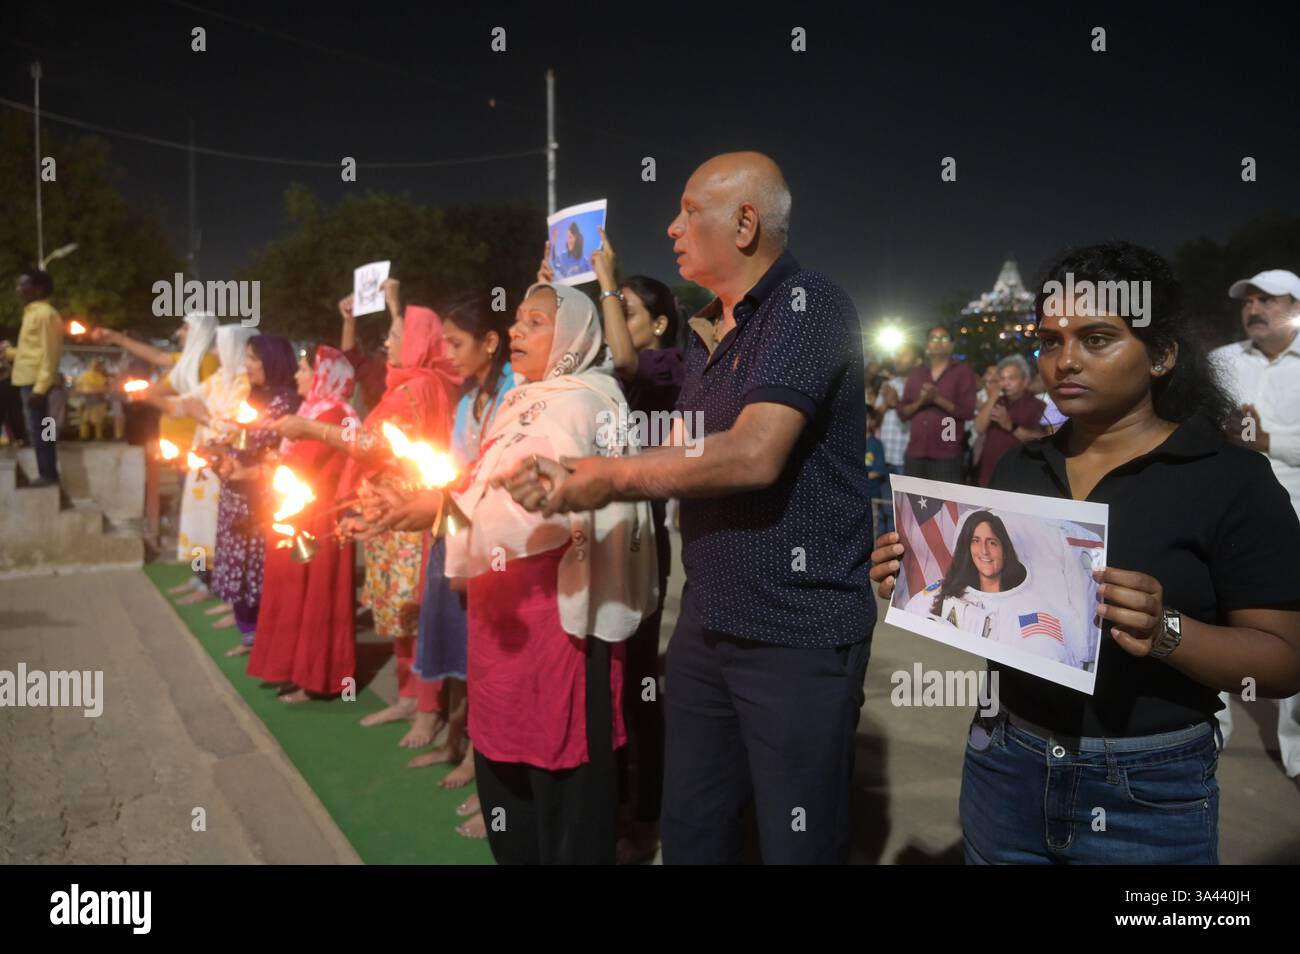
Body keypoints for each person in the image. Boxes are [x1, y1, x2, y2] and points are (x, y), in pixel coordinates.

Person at [497, 152, 875, 864]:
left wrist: (604, 477)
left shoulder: (810, 305)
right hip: (708, 621)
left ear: (744, 221)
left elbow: (754, 454)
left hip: (796, 629)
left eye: (689, 210)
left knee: (798, 842)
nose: (671, 227)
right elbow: (678, 447)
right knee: (695, 830)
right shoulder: (708, 334)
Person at [871, 241, 1300, 864]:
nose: (1064, 361)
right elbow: (1004, 616)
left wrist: (1168, 632)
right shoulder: (1021, 466)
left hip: (1148, 786)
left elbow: (1284, 663)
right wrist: (927, 582)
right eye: (1049, 341)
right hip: (1005, 761)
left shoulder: (1230, 479)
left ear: (1161, 355)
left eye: (1097, 338)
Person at [451, 281, 657, 863]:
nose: (515, 330)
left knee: (564, 769)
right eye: (516, 319)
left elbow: (592, 498)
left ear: (571, 337)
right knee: (503, 760)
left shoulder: (589, 400)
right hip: (500, 615)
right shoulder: (518, 402)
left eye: (535, 322)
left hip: (561, 615)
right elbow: (477, 495)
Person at [275, 300, 462, 732]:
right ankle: (409, 696)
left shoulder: (416, 389)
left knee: (414, 611)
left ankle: (426, 709)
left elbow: (371, 445)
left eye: (396, 336)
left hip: (408, 515)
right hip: (390, 514)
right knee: (400, 612)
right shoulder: (415, 384)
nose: (387, 341)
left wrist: (307, 429)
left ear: (417, 343)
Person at [587, 229, 683, 863]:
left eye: (627, 313)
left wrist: (606, 285)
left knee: (640, 682)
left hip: (642, 534)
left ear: (658, 324)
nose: (614, 322)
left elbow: (623, 362)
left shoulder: (667, 366)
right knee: (604, 674)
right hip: (601, 528)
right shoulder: (606, 369)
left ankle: (646, 812)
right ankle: (610, 798)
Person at [1212, 268, 1300, 793]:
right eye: (1248, 300)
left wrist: (1273, 441)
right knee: (1217, 617)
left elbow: (1269, 439)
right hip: (1229, 510)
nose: (1254, 308)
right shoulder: (1221, 362)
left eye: (1267, 299)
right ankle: (1208, 733)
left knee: (1290, 630)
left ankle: (1296, 750)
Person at [249, 345, 358, 702]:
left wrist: (270, 467)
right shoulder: (311, 411)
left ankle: (316, 676)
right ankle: (289, 668)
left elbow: (303, 466)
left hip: (317, 516)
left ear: (323, 376)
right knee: (292, 591)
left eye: (304, 370)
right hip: (297, 512)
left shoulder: (332, 416)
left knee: (314, 595)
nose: (298, 376)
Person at [901, 509, 1092, 668]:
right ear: (966, 548)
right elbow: (911, 619)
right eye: (975, 541)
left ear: (1004, 549)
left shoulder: (1028, 610)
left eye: (992, 542)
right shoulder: (943, 591)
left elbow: (1051, 657)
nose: (984, 551)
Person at [209, 334, 302, 653]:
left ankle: (262, 633)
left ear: (272, 361)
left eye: (253, 359)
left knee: (256, 562)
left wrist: (241, 447)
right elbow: (237, 438)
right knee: (237, 558)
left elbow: (272, 447)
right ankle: (246, 629)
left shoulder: (287, 402)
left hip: (261, 496)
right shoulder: (253, 397)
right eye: (246, 358)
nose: (246, 365)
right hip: (236, 491)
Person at [159, 322, 248, 605]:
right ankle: (200, 576)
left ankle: (216, 583)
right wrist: (151, 398)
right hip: (202, 462)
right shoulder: (220, 378)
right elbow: (186, 402)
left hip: (223, 465)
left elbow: (237, 429)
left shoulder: (243, 385)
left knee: (215, 526)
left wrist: (206, 417)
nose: (217, 354)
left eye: (221, 348)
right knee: (196, 521)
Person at [898, 325, 978, 482]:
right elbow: (902, 413)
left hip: (947, 454)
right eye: (933, 338)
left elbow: (967, 412)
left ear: (952, 344)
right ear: (927, 345)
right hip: (915, 453)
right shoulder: (916, 374)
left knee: (947, 505)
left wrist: (937, 399)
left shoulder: (963, 372)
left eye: (944, 338)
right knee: (913, 504)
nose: (938, 342)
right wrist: (922, 401)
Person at [5, 269, 63, 485]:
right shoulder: (31, 312)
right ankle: (46, 472)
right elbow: (33, 350)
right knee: (37, 430)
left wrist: (41, 388)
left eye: (23, 285)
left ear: (38, 289)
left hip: (38, 383)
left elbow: (51, 353)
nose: (18, 289)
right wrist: (10, 352)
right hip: (28, 379)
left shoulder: (45, 314)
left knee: (43, 430)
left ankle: (48, 474)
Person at [972, 353, 1047, 486]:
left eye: (1011, 378)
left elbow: (1041, 440)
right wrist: (994, 395)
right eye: (1002, 378)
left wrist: (1010, 425)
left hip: (1018, 476)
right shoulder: (998, 402)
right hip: (989, 473)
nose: (1005, 383)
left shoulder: (1038, 406)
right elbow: (978, 428)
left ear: (1025, 380)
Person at [74, 358, 112, 441]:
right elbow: (78, 389)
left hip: (98, 401)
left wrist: (95, 391)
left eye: (97, 365)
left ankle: (98, 436)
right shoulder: (84, 376)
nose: (95, 366)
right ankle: (84, 436)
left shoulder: (102, 378)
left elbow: (107, 389)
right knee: (85, 420)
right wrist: (86, 392)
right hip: (88, 401)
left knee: (98, 421)